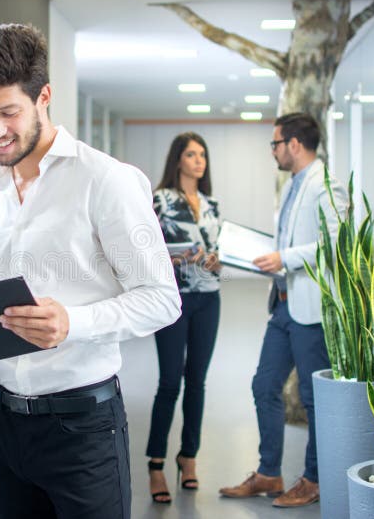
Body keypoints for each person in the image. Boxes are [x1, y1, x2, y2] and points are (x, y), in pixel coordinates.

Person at [0, 23, 181, 519]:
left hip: (84, 427)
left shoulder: (106, 181)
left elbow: (162, 297)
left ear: (44, 97)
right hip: (4, 421)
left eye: (9, 112)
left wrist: (72, 324)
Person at [218, 112, 346, 508]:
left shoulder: (326, 185)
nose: (272, 150)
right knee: (264, 385)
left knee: (312, 399)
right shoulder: (293, 186)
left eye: (275, 143)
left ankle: (313, 479)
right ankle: (269, 473)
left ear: (294, 144)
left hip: (311, 309)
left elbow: (335, 241)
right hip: (284, 306)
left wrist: (284, 258)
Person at [146, 132, 222, 504]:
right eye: (192, 154)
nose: (199, 160)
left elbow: (216, 252)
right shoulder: (159, 200)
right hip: (173, 301)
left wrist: (213, 260)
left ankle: (187, 457)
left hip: (209, 298)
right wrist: (180, 259)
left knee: (198, 383)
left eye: (202, 154)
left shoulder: (211, 204)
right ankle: (156, 463)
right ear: (178, 159)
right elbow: (148, 252)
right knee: (169, 383)